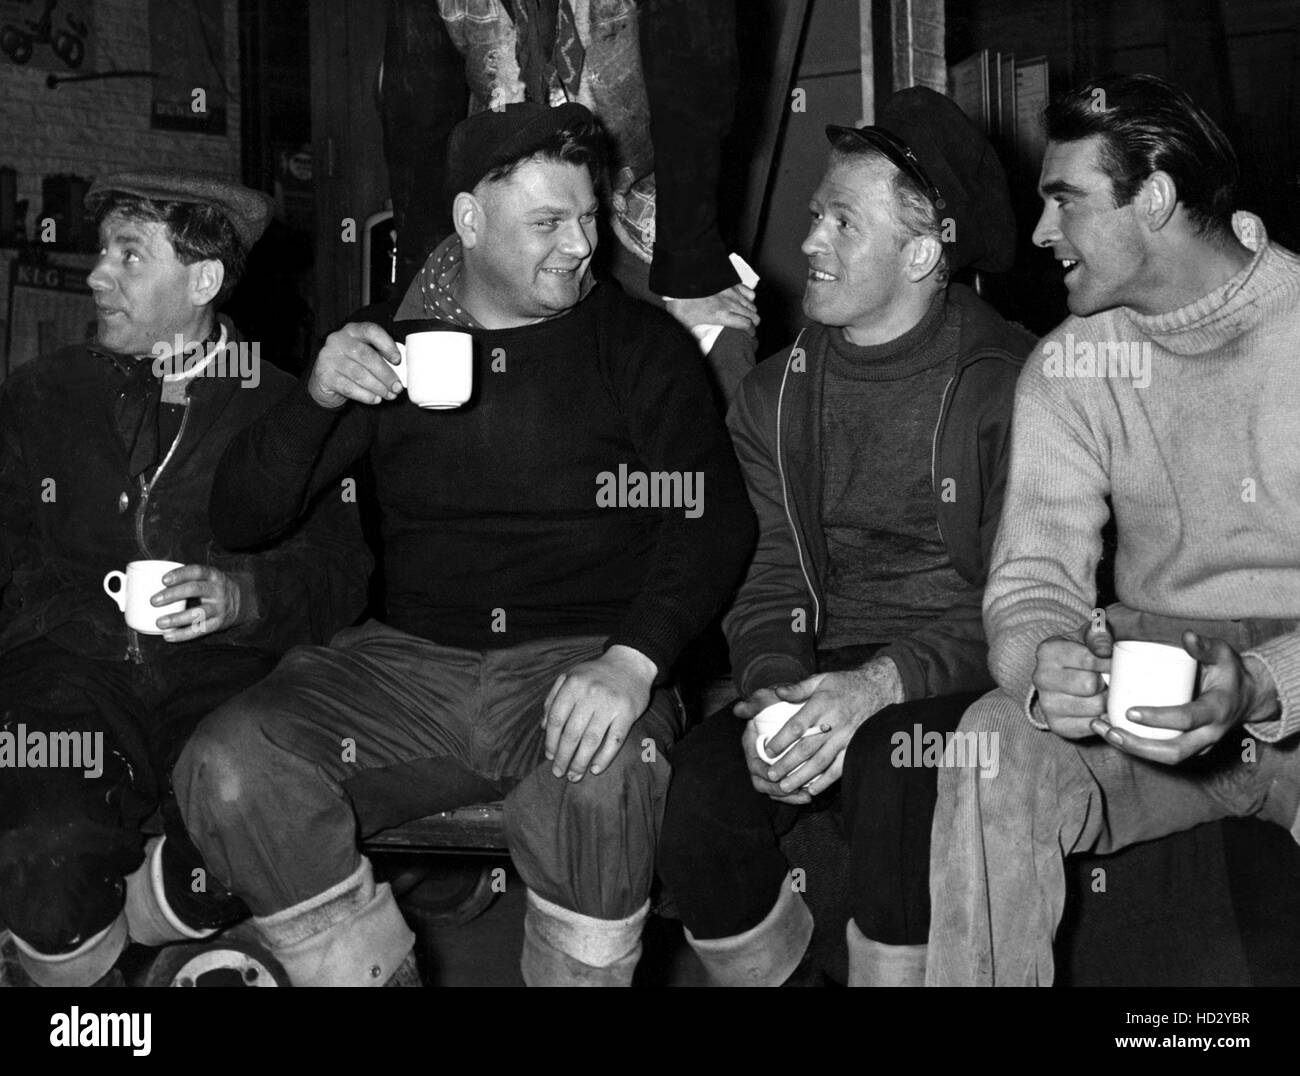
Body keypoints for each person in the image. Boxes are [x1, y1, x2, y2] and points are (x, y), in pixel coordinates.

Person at [174, 102, 755, 987]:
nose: (582, 245)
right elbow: (242, 519)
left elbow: (713, 515)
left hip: (583, 660)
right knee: (228, 763)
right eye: (550, 222)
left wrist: (634, 662)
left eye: (591, 216)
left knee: (607, 784)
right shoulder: (391, 340)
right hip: (408, 669)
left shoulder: (638, 344)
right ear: (470, 222)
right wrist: (317, 399)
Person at [926, 74, 1300, 986]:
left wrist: (1258, 683)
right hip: (1152, 689)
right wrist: (1046, 659)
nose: (1041, 232)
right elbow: (1030, 587)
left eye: (1065, 201)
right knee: (992, 744)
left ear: (1157, 199)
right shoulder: (1069, 367)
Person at [656, 87, 1035, 986]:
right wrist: (774, 694)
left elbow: (1031, 599)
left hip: (974, 660)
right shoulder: (772, 394)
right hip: (824, 657)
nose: (808, 243)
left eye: (840, 222)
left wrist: (880, 685)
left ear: (922, 251)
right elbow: (770, 571)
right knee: (702, 796)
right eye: (816, 215)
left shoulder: (1015, 385)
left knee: (895, 771)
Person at [0, 171, 370, 987]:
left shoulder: (285, 407)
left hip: (224, 678)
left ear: (202, 280)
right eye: (103, 252)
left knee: (264, 824)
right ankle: (85, 981)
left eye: (129, 256)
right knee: (43, 852)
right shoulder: (40, 395)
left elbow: (342, 575)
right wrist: (73, 615)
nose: (98, 274)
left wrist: (244, 597)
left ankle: (149, 919)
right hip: (66, 673)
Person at [379, 0, 758, 400]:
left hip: (652, 204)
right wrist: (421, 293)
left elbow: (695, 94)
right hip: (509, 206)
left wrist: (690, 272)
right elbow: (418, 126)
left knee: (722, 357)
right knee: (443, 374)